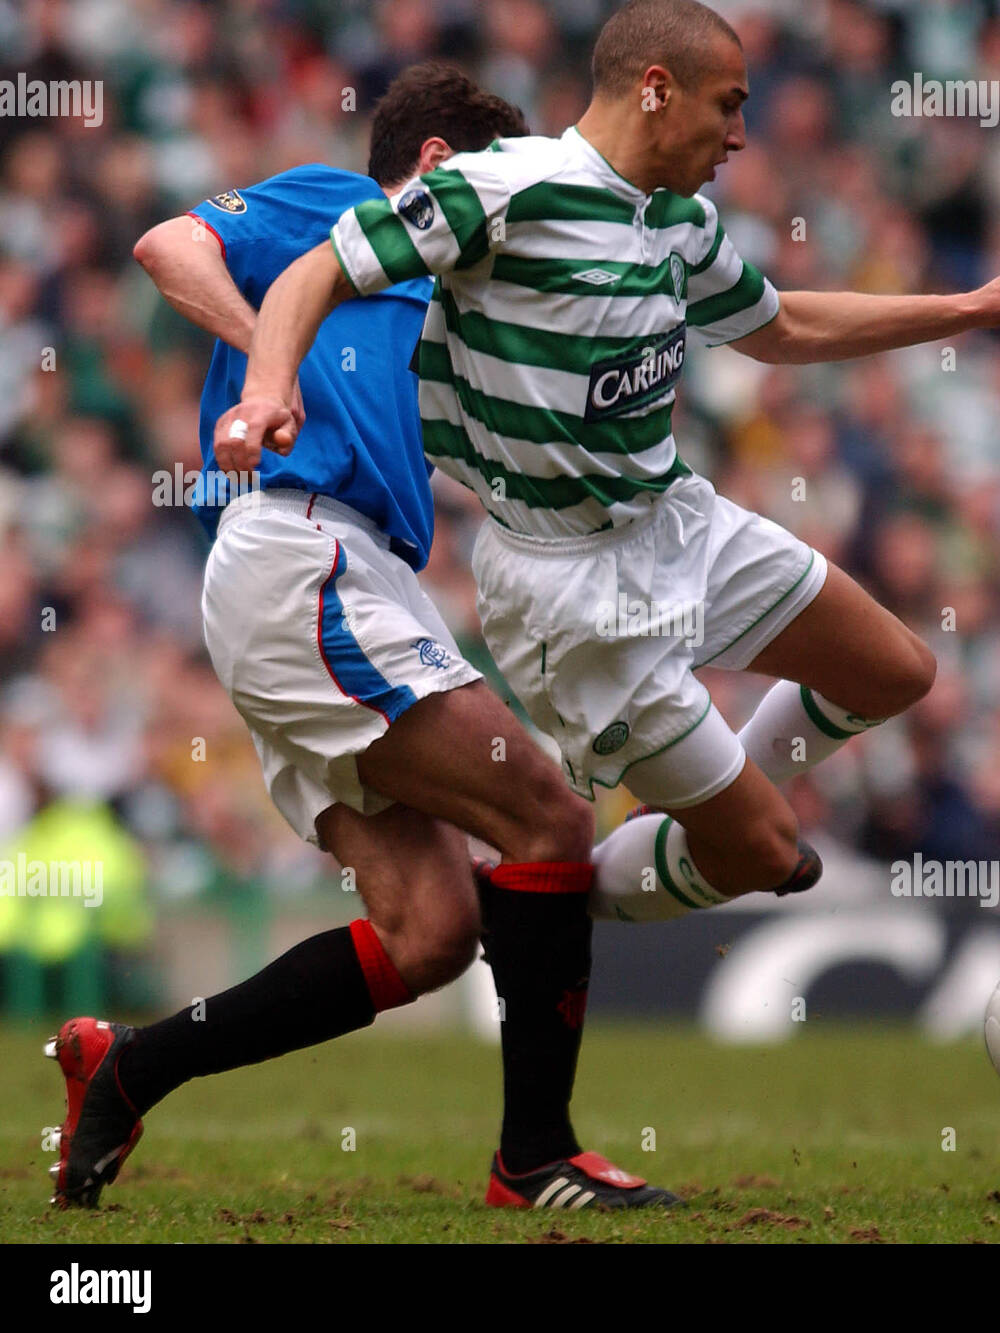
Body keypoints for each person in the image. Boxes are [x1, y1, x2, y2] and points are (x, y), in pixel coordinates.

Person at [216, 0, 1000, 929]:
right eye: (728, 105)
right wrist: (269, 389)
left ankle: (652, 832)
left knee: (895, 671)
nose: (742, 135)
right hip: (570, 587)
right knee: (762, 851)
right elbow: (313, 271)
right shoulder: (503, 189)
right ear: (655, 90)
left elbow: (785, 327)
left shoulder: (681, 221)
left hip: (676, 519)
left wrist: (970, 307)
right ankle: (569, 892)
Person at [46, 62, 676, 1213]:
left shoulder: (447, 301)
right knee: (543, 813)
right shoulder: (338, 206)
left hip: (353, 573)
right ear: (436, 164)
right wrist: (266, 358)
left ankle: (131, 1065)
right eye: (491, 181)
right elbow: (165, 247)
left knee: (430, 931)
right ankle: (535, 1155)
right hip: (304, 551)